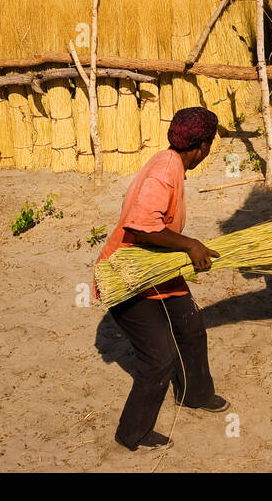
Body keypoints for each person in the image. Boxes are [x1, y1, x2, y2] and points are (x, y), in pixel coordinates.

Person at [95, 106, 229, 452]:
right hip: (126, 273)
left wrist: (182, 250)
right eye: (210, 145)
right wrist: (190, 245)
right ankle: (132, 433)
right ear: (201, 147)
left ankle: (195, 394)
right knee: (159, 356)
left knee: (191, 326)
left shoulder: (171, 164)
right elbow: (141, 226)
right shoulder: (164, 172)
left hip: (157, 265)